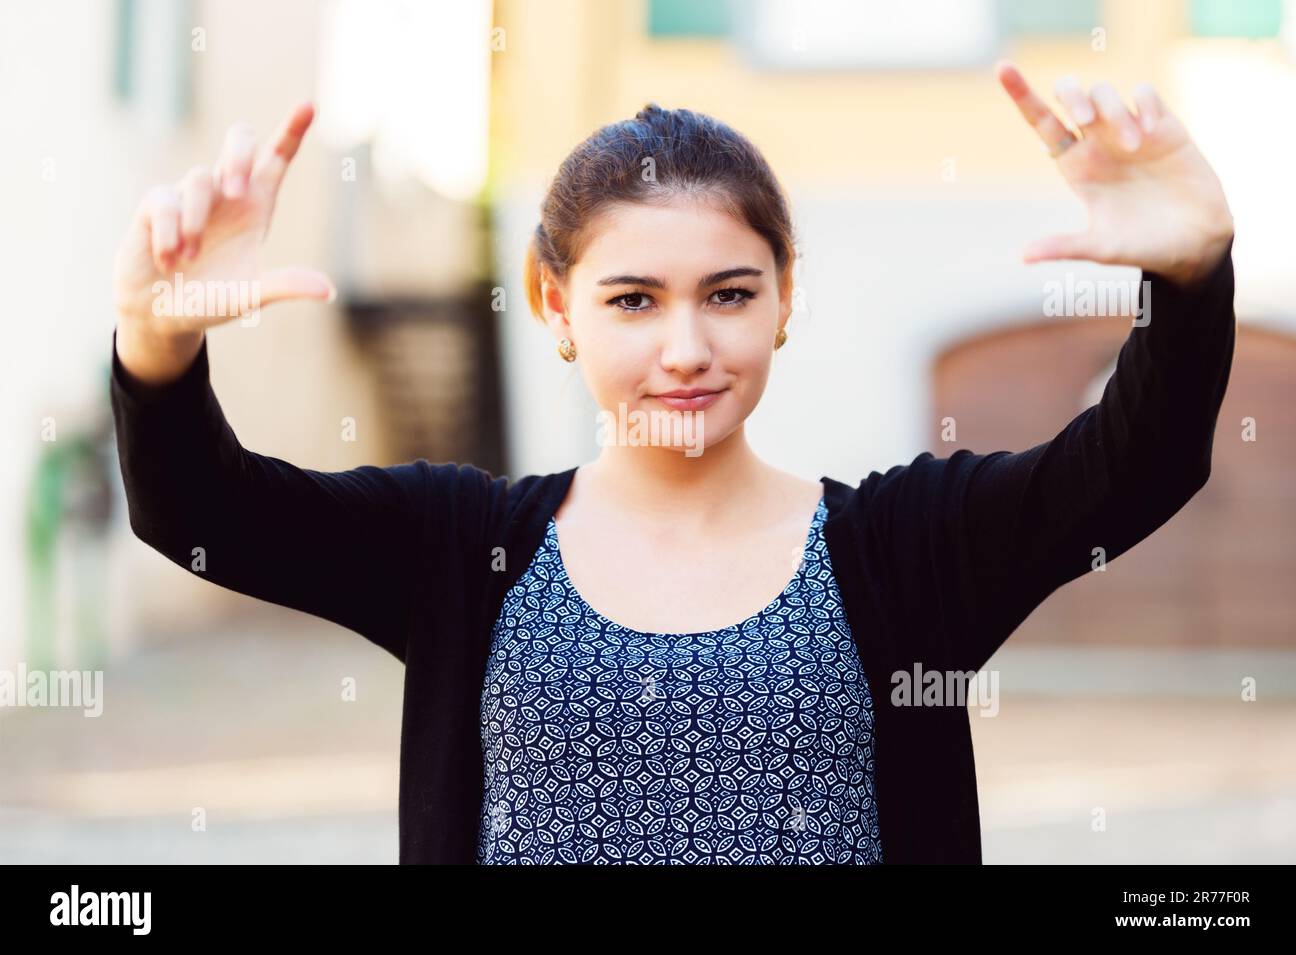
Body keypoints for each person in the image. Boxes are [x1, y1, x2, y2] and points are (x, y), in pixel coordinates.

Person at [109, 62, 1236, 864]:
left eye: (730, 294)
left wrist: (1187, 279)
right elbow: (202, 512)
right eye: (633, 300)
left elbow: (1133, 467)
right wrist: (158, 344)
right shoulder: (457, 547)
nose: (686, 349)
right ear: (555, 302)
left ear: (785, 295)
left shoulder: (905, 549)